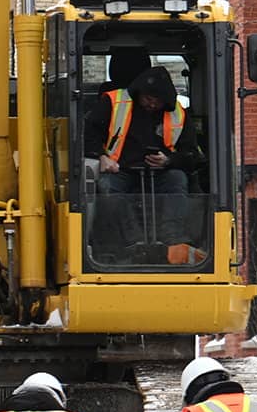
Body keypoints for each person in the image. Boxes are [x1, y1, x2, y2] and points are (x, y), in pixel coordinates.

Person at [87, 58, 204, 261]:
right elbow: (88, 134)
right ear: (139, 93)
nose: (151, 103)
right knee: (107, 187)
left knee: (178, 180)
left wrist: (169, 161)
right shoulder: (113, 102)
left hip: (161, 174)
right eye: (148, 98)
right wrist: (102, 157)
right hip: (118, 170)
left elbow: (191, 155)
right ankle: (130, 244)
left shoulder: (178, 114)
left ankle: (173, 241)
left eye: (157, 101)